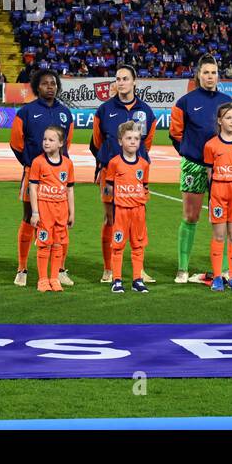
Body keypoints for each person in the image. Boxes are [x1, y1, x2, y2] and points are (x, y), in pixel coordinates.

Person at [169, 55, 232, 283]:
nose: (210, 77)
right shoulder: (185, 102)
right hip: (194, 165)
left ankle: (223, 270)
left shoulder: (227, 101)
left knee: (222, 219)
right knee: (190, 216)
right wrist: (190, 154)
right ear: (198, 74)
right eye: (206, 72)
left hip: (222, 168)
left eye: (213, 72)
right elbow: (175, 134)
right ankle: (182, 269)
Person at [90, 63, 156, 284]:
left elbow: (147, 142)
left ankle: (139, 270)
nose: (121, 83)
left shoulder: (146, 111)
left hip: (135, 175)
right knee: (110, 218)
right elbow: (97, 142)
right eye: (117, 79)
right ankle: (109, 269)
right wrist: (104, 163)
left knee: (138, 219)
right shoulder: (104, 110)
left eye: (125, 78)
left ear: (134, 81)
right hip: (111, 173)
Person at [11, 69, 75, 287]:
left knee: (61, 221)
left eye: (54, 83)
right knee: (30, 217)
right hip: (34, 172)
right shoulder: (26, 112)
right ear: (37, 86)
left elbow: (67, 144)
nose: (50, 87)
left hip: (59, 178)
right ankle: (22, 268)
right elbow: (16, 143)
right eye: (46, 83)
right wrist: (31, 163)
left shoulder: (65, 113)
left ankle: (60, 269)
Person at [202, 103, 232, 291]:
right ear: (220, 121)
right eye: (228, 117)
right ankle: (216, 277)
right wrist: (212, 195)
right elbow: (209, 173)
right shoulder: (211, 145)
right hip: (218, 195)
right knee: (219, 235)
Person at [26, 125, 75, 292]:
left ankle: (54, 278)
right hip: (44, 211)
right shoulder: (38, 162)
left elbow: (69, 189)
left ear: (61, 143)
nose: (46, 143)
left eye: (51, 140)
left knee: (58, 245)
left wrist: (71, 212)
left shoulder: (68, 164)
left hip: (61, 211)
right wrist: (35, 212)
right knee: (43, 244)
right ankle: (42, 279)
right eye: (44, 139)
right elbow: (33, 188)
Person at [105, 121, 152, 294]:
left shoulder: (144, 165)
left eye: (136, 138)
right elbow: (109, 186)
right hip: (121, 211)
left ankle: (137, 280)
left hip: (138, 212)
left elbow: (144, 186)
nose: (133, 141)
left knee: (138, 246)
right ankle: (116, 280)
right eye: (129, 138)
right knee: (118, 245)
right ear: (120, 141)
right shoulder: (114, 163)